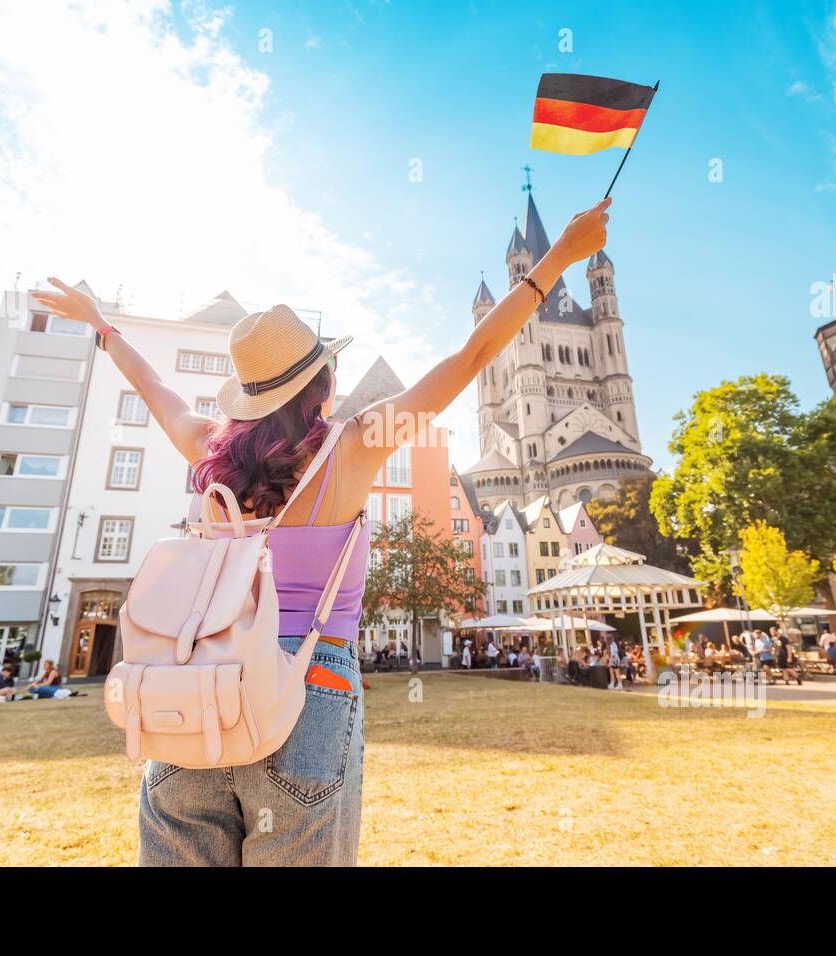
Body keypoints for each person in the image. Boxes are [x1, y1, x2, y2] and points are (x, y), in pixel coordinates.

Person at [31, 195, 610, 867]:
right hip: (309, 694)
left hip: (195, 697)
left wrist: (103, 326)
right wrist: (558, 258)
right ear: (324, 384)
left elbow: (154, 384)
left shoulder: (207, 449)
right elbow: (475, 353)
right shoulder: (356, 446)